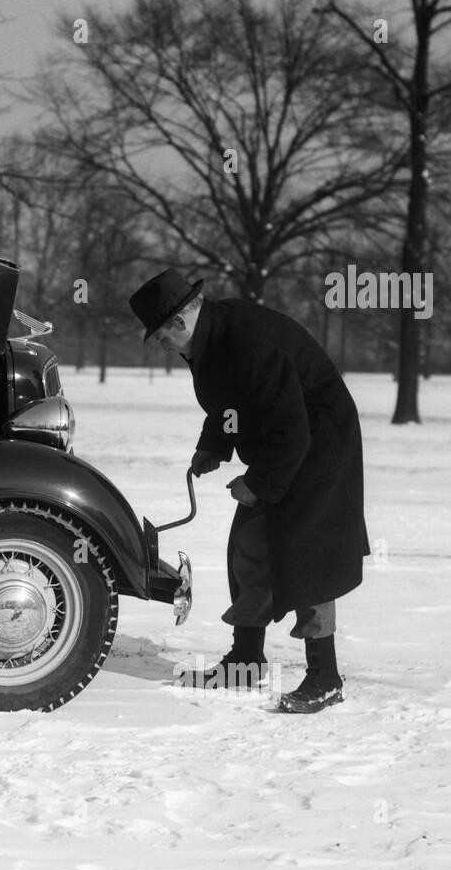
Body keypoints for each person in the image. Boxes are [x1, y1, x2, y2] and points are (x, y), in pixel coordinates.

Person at [129, 268, 369, 714]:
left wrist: (258, 484)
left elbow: (291, 429)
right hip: (287, 440)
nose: (162, 347)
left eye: (161, 337)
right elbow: (230, 402)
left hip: (318, 442)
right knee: (250, 545)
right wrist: (213, 446)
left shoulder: (248, 343)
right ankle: (245, 659)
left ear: (180, 323)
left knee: (305, 549)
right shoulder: (212, 341)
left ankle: (325, 675)